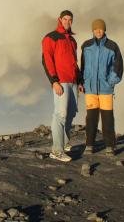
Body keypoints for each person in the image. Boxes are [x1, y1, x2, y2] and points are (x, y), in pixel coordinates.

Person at [41, 10, 82, 162]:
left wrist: (80, 81)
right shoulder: (51, 37)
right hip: (61, 82)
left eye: (70, 20)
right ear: (59, 19)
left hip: (72, 82)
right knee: (60, 114)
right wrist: (54, 81)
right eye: (65, 19)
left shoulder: (72, 41)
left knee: (71, 113)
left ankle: (64, 143)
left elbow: (74, 64)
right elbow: (47, 60)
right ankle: (56, 151)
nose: (67, 22)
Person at [80, 19, 123, 156]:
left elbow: (118, 67)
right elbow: (83, 66)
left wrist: (110, 82)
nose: (98, 31)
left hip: (106, 89)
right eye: (96, 29)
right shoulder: (86, 46)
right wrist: (82, 82)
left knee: (107, 118)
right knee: (91, 118)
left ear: (104, 30)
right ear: (92, 30)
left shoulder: (112, 46)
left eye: (101, 29)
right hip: (90, 88)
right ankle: (89, 145)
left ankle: (110, 146)